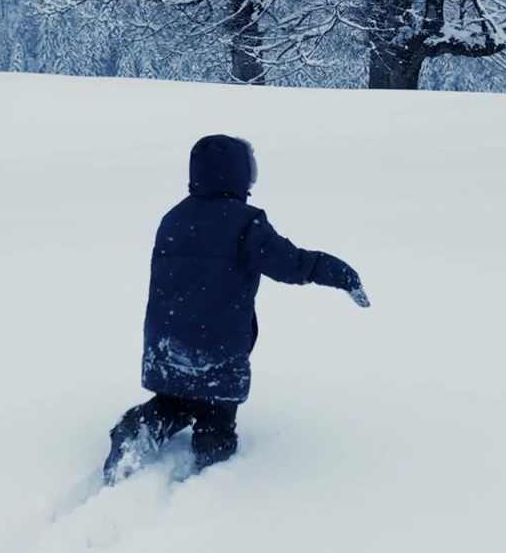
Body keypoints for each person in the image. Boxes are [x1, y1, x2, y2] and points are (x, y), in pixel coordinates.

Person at [102, 134, 368, 484]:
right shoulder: (246, 223)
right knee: (216, 415)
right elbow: (291, 264)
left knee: (174, 401)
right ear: (240, 175)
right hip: (218, 349)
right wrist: (340, 273)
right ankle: (211, 474)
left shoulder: (174, 218)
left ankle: (140, 428)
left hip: (167, 344)